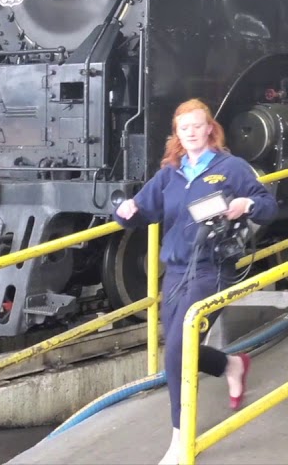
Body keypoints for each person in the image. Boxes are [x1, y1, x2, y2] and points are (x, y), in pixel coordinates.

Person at [114, 98, 278, 464]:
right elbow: (141, 212)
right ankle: (231, 365)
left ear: (210, 129)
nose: (190, 133)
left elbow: (268, 206)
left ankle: (180, 438)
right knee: (177, 348)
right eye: (183, 128)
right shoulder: (169, 174)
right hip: (175, 271)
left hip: (213, 269)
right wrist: (125, 212)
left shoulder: (231, 168)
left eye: (197, 126)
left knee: (177, 349)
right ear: (177, 134)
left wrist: (246, 205)